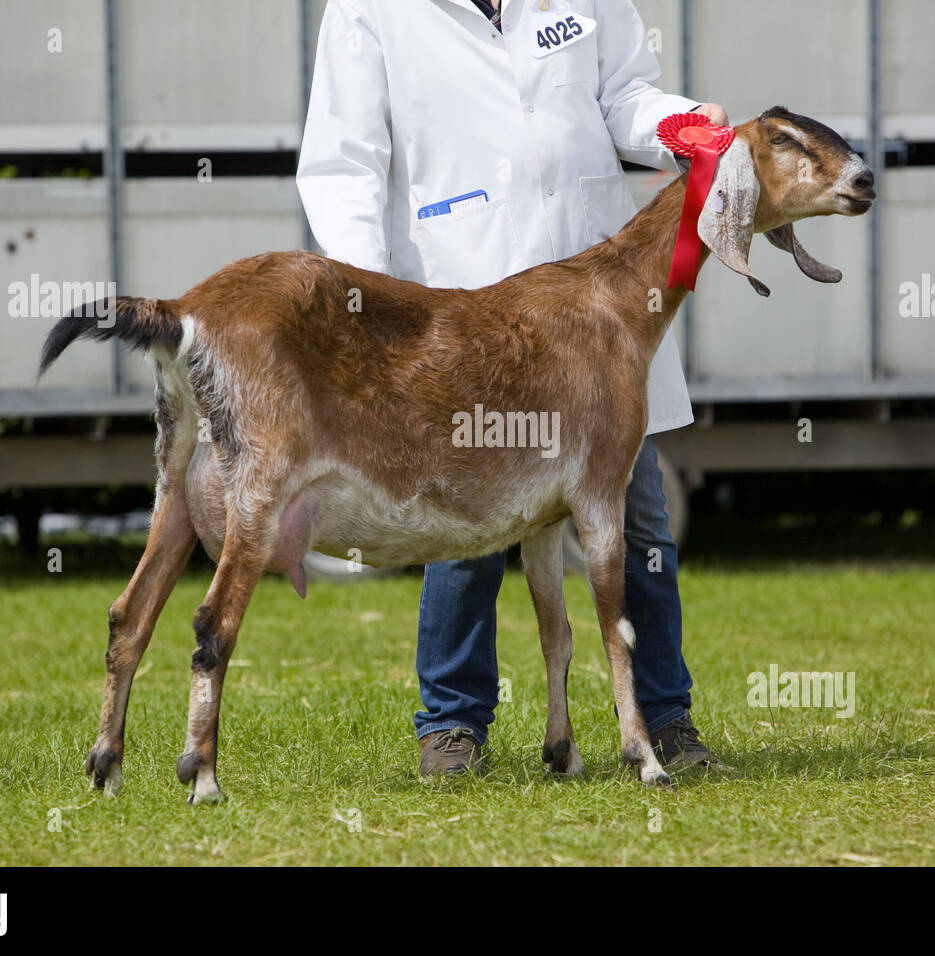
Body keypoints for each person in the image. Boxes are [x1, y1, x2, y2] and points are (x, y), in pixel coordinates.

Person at [297, 0, 726, 776]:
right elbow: (344, 161)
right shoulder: (369, 8)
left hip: (596, 306)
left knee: (640, 526)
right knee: (467, 526)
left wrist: (681, 125)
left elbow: (626, 95)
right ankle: (452, 726)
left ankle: (667, 720)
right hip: (470, 310)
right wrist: (365, 299)